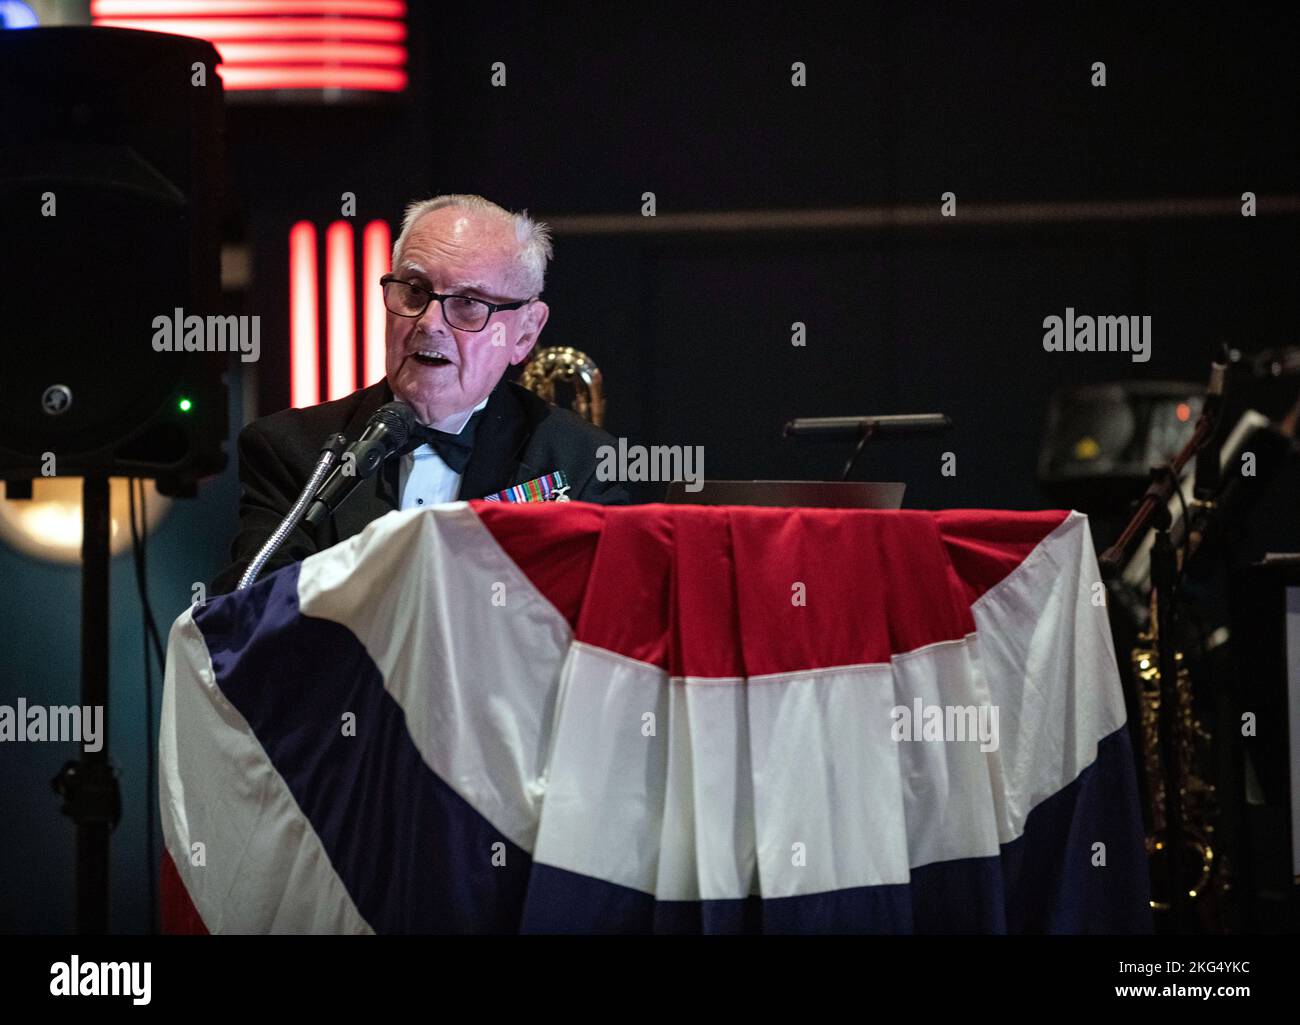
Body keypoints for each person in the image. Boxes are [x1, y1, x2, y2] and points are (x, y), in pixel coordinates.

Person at [211, 194, 626, 594]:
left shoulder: (579, 462)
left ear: (525, 332)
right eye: (414, 290)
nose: (429, 322)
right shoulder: (292, 451)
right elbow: (251, 613)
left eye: (467, 302)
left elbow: (604, 634)